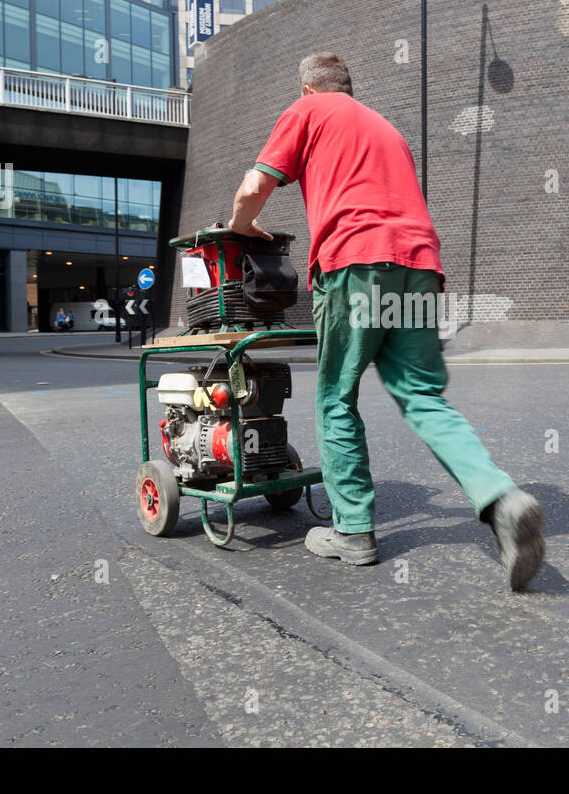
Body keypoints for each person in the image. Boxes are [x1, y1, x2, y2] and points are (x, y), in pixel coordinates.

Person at [227, 52, 546, 590]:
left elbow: (252, 187)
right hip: (419, 265)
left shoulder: (309, 111)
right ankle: (501, 498)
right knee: (423, 396)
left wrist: (243, 227)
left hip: (357, 262)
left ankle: (353, 532)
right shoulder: (386, 128)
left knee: (335, 396)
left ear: (308, 88)